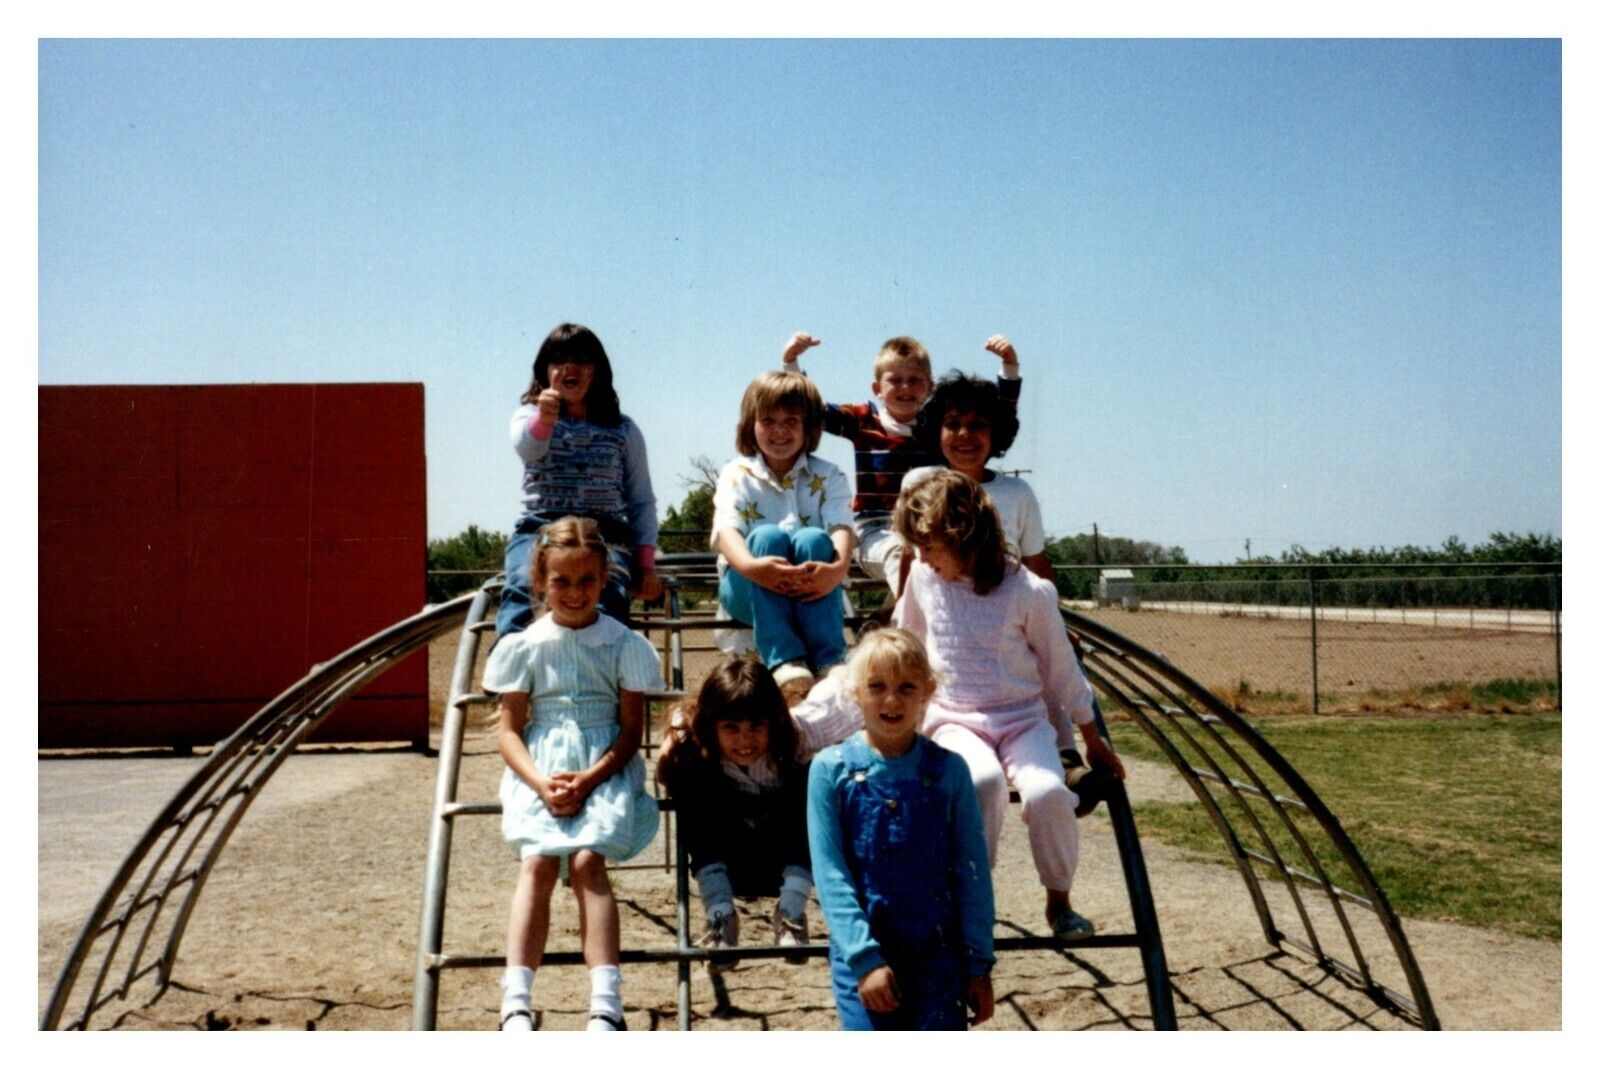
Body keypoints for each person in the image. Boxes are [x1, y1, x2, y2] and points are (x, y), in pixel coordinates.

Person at [892, 471, 1126, 940]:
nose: (922, 557)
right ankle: (973, 898)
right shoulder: (924, 577)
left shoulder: (1027, 591)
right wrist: (900, 729)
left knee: (1049, 795)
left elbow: (1062, 670)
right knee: (981, 782)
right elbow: (907, 641)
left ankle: (1059, 902)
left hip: (1022, 720)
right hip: (955, 718)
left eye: (931, 546)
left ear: (964, 537)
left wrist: (1092, 740)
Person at [484, 516, 663, 1031]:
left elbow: (631, 732)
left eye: (587, 580)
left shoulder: (624, 643)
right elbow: (509, 731)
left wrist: (589, 779)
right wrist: (540, 782)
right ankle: (516, 999)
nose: (575, 592)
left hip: (603, 766)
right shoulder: (525, 645)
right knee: (537, 863)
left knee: (588, 863)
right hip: (540, 768)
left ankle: (606, 1002)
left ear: (604, 580)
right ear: (540, 581)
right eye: (561, 580)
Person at [807, 629, 995, 1031]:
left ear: (926, 692)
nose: (891, 700)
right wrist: (864, 959)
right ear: (856, 692)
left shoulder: (949, 771)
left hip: (936, 956)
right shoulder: (831, 770)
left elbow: (971, 871)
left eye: (906, 687)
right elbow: (830, 874)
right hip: (864, 956)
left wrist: (978, 963)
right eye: (877, 687)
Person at [780, 332, 1021, 597]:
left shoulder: (937, 429)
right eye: (895, 380)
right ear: (877, 389)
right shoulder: (864, 420)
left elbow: (998, 417)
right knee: (902, 555)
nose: (905, 388)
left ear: (929, 387)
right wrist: (791, 363)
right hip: (876, 529)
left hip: (930, 528)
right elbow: (813, 410)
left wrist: (1009, 367)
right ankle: (913, 624)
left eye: (915, 381)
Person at [497, 322, 661, 637]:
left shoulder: (623, 429)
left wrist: (645, 563)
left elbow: (641, 499)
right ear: (545, 372)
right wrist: (544, 419)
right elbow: (528, 448)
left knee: (607, 585)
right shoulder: (527, 418)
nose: (570, 367)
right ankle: (509, 665)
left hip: (605, 532)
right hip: (540, 527)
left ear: (597, 371)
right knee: (522, 582)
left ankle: (603, 669)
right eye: (559, 361)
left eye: (582, 361)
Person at [655, 657, 813, 972]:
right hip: (728, 856)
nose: (745, 739)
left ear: (774, 722)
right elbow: (667, 760)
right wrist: (673, 742)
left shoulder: (792, 745)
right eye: (731, 727)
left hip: (778, 856)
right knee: (691, 791)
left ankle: (791, 913)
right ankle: (721, 916)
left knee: (811, 792)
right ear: (712, 725)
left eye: (756, 726)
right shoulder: (697, 744)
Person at [712, 370, 855, 703]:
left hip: (810, 587)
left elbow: (841, 528)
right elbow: (726, 531)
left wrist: (838, 568)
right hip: (749, 586)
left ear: (809, 427)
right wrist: (752, 566)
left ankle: (828, 660)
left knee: (815, 541)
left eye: (791, 420)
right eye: (768, 420)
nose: (779, 430)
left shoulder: (828, 475)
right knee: (766, 536)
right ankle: (785, 659)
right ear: (751, 424)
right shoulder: (737, 474)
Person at [903, 370, 1053, 584]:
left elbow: (1035, 562)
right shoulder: (919, 484)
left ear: (996, 432)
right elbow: (908, 557)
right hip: (937, 612)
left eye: (977, 425)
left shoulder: (1018, 493)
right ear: (936, 430)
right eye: (953, 424)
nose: (964, 433)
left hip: (1002, 614)